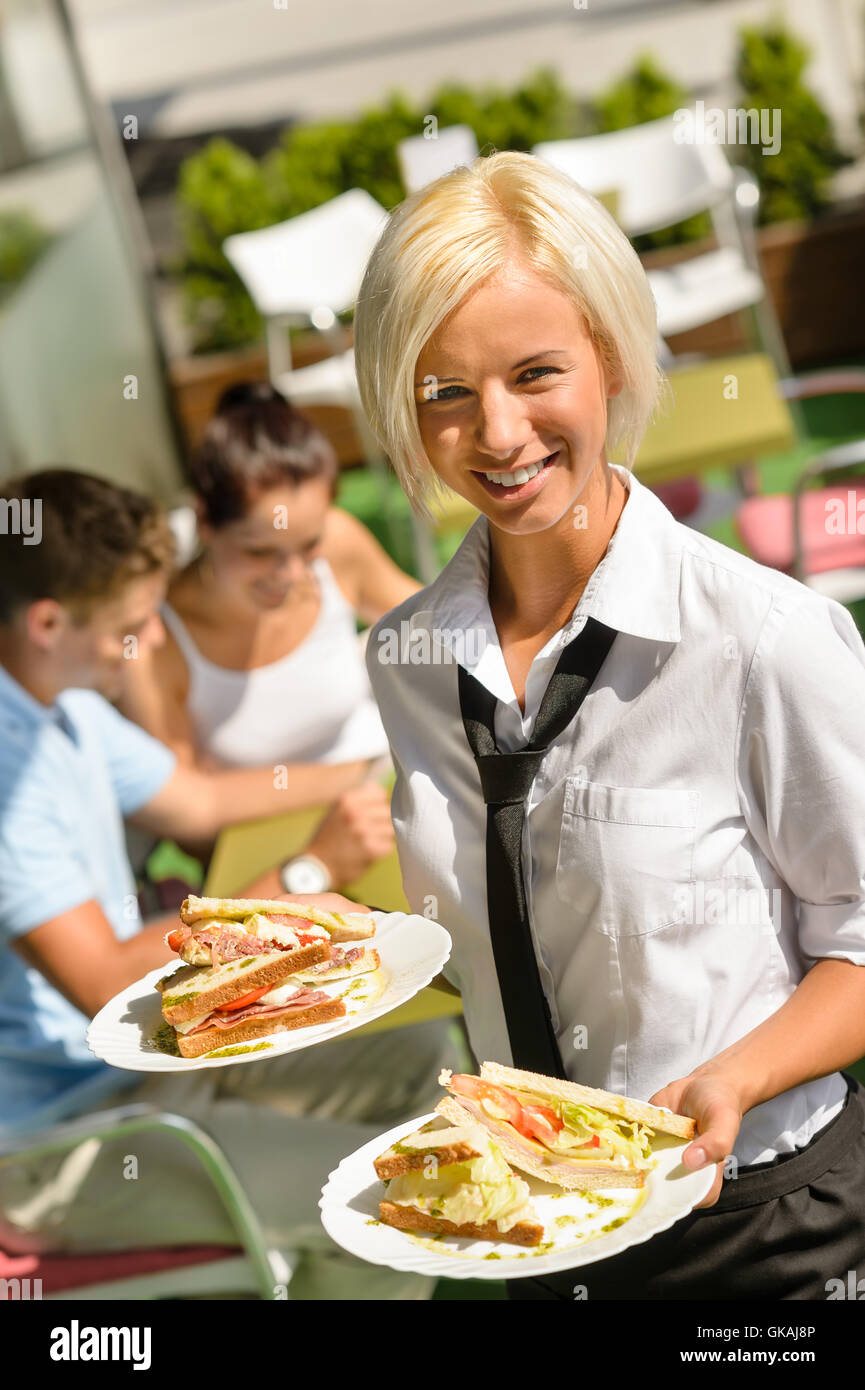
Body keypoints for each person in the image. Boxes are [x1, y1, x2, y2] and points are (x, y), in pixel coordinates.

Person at [353, 150, 865, 1300]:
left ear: (614, 358)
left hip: (751, 1228)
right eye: (444, 391)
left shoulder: (762, 638)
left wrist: (734, 1074)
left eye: (536, 372)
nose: (496, 432)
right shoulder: (406, 659)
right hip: (521, 1223)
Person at [0, 469, 460, 1300]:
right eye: (130, 628)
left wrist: (378, 765)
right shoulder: (8, 770)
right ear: (47, 622)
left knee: (423, 1057)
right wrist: (302, 878)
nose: (141, 643)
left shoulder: (58, 704)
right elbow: (102, 980)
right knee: (383, 1202)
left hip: (151, 1057)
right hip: (54, 1142)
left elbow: (201, 797)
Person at [118, 380, 419, 890]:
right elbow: (190, 823)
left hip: (388, 807)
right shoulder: (156, 645)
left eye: (308, 544)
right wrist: (358, 771)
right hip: (269, 855)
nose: (292, 573)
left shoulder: (339, 546)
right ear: (205, 523)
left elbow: (444, 635)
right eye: (259, 552)